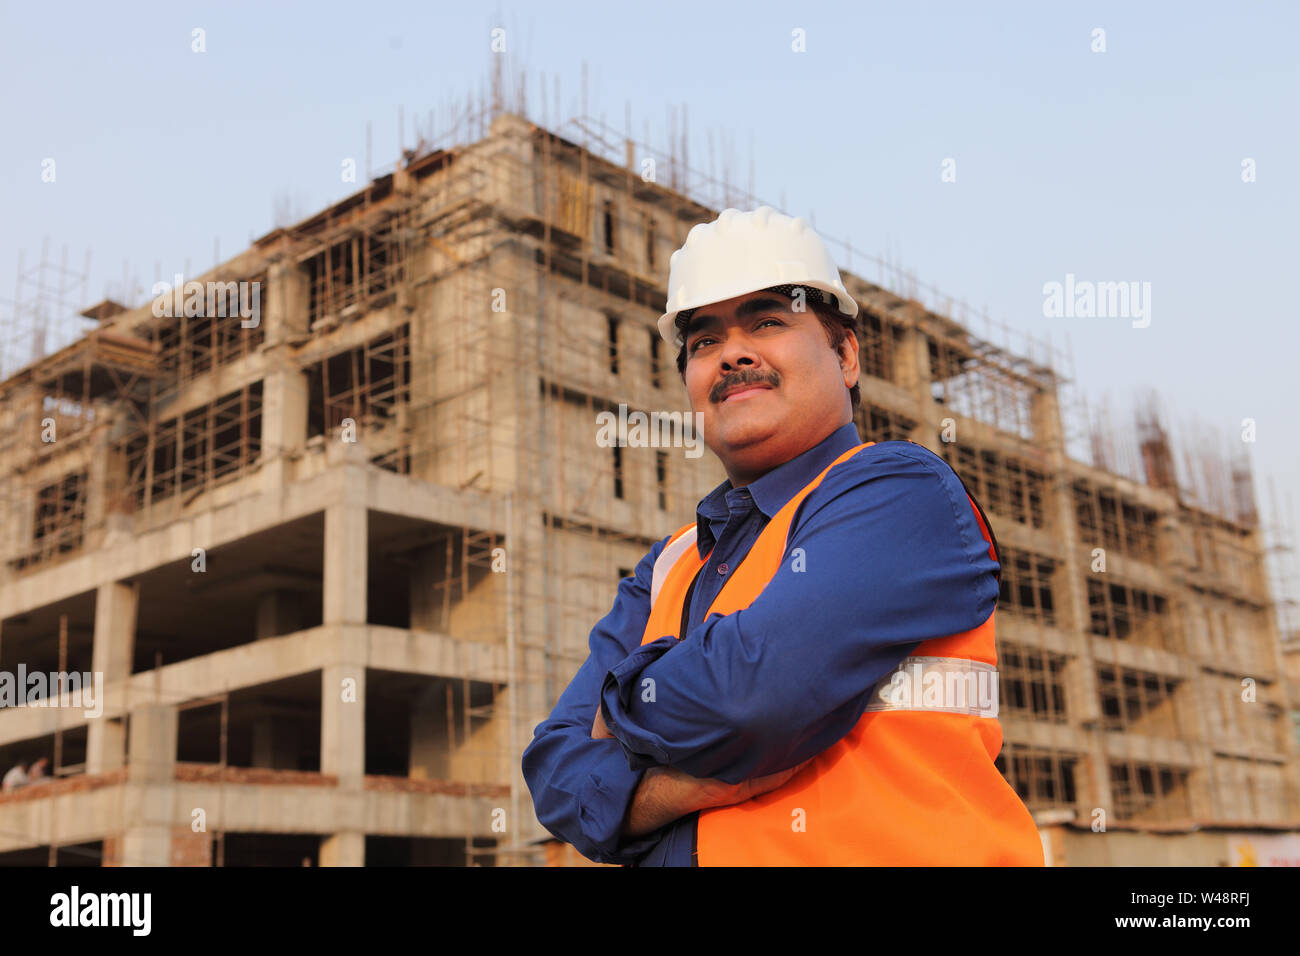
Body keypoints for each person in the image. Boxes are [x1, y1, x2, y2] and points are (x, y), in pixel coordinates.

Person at [522, 206, 1043, 866]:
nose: (733, 353)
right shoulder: (673, 561)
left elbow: (748, 698)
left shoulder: (902, 495)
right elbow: (554, 773)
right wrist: (670, 793)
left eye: (768, 321)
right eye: (704, 342)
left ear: (846, 354)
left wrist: (616, 717)